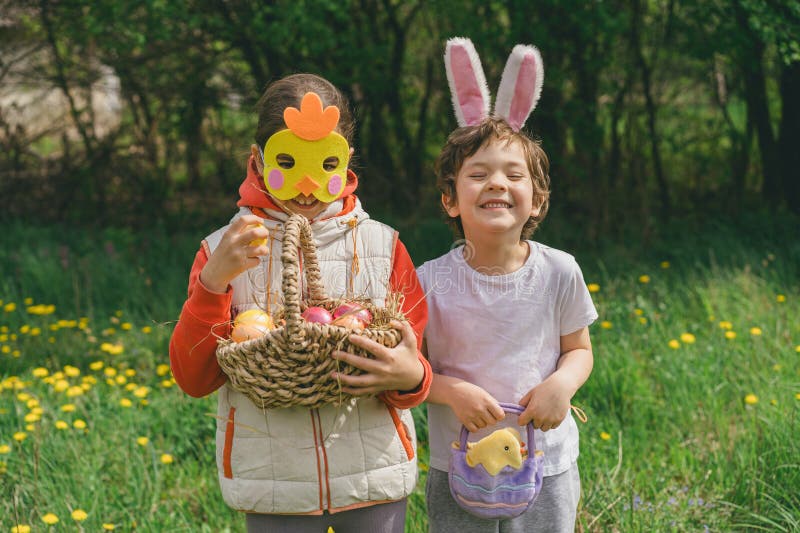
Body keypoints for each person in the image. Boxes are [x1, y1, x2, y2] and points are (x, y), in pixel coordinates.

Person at [169, 73, 431, 533]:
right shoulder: (222, 249)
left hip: (375, 473)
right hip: (274, 485)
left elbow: (416, 360)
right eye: (288, 163)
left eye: (324, 164)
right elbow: (194, 378)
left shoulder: (383, 247)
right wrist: (213, 283)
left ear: (346, 159)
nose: (307, 185)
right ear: (257, 158)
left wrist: (411, 378)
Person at [417, 39, 597, 533]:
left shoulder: (560, 271)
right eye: (478, 174)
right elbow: (412, 367)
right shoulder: (429, 281)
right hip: (457, 461)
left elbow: (579, 350)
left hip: (546, 461)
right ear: (450, 200)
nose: (497, 183)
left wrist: (562, 384)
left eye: (512, 174)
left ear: (536, 200)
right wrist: (452, 393)